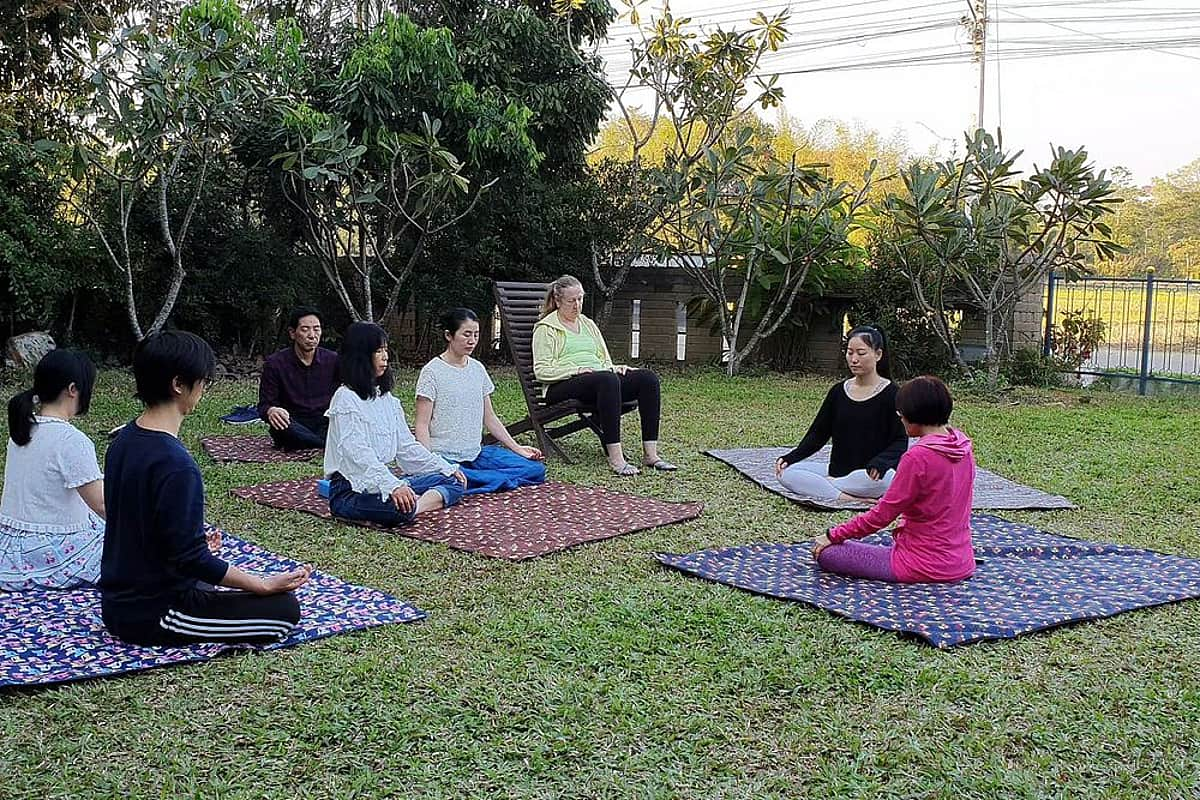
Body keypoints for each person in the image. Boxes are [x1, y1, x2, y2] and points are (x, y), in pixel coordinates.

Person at [101, 331, 310, 646]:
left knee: (211, 577)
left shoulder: (123, 441)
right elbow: (191, 558)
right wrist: (261, 584)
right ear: (178, 385)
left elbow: (142, 529)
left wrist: (195, 550)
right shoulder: (176, 464)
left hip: (119, 598)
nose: (203, 388)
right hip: (152, 612)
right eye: (202, 381)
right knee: (283, 610)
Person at [811, 376, 976, 584]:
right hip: (961, 562)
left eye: (901, 416)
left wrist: (833, 534)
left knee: (828, 553)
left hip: (921, 565)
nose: (900, 420)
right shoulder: (963, 446)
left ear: (912, 416)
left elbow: (881, 516)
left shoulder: (917, 457)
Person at [324, 322, 467, 526]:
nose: (385, 357)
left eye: (385, 350)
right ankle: (414, 505)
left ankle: (415, 504)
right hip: (350, 490)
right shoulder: (345, 398)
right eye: (378, 351)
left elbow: (406, 446)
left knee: (454, 480)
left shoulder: (387, 399)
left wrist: (445, 467)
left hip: (384, 481)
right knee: (397, 509)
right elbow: (357, 454)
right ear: (361, 356)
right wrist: (392, 485)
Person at [531, 275, 676, 476]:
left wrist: (613, 367)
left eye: (580, 299)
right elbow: (541, 371)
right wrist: (576, 370)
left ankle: (651, 455)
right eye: (571, 301)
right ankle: (616, 458)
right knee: (606, 379)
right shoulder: (546, 328)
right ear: (557, 301)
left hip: (598, 380)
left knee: (647, 378)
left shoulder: (588, 324)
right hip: (562, 385)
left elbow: (603, 359)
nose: (577, 305)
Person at [0, 350, 105, 591]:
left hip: (12, 545)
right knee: (133, 547)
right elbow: (102, 505)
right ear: (72, 389)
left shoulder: (22, 430)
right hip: (52, 548)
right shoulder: (71, 440)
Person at [414, 308, 547, 494]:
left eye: (476, 335)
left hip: (476, 454)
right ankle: (473, 480)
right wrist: (429, 462)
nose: (472, 340)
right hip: (444, 457)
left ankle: (477, 481)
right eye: (466, 334)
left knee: (535, 470)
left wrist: (517, 448)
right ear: (449, 335)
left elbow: (490, 417)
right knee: (448, 476)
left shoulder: (477, 369)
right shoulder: (432, 372)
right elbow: (422, 424)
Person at [774, 325, 908, 503]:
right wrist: (791, 457)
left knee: (889, 480)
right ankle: (845, 495)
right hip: (837, 470)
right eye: (850, 352)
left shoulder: (893, 394)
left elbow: (900, 441)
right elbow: (818, 434)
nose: (854, 359)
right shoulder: (838, 391)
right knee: (786, 474)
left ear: (878, 354)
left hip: (871, 477)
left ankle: (826, 487)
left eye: (861, 353)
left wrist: (880, 462)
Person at [257, 306, 339, 450]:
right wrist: (272, 411)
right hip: (294, 422)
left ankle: (318, 443)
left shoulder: (333, 360)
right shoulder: (275, 363)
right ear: (292, 333)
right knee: (285, 429)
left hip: (325, 421)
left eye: (316, 329)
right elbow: (265, 405)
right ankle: (325, 445)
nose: (312, 335)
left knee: (340, 427)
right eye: (305, 329)